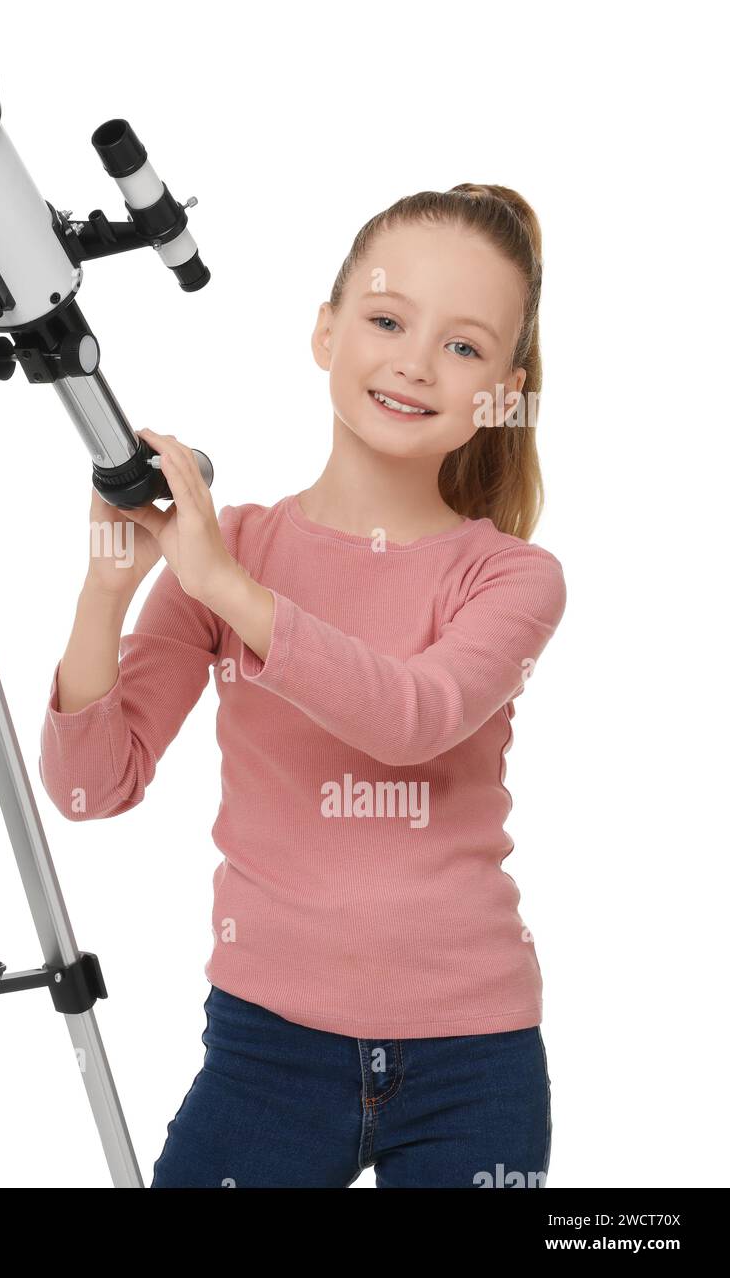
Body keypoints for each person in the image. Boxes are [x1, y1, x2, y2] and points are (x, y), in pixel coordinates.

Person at [37, 185, 566, 1188]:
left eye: (463, 348)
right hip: (265, 1052)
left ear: (506, 387)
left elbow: (411, 720)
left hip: (472, 1062)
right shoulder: (229, 550)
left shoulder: (509, 578)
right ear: (324, 333)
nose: (414, 361)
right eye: (384, 319)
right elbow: (88, 790)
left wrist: (231, 591)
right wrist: (109, 589)